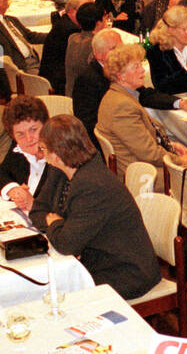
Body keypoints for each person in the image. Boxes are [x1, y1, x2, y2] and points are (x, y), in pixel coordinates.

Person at [30, 115, 161, 300]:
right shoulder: (61, 170)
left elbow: (67, 244)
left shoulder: (93, 184)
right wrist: (60, 228)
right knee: (45, 284)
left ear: (57, 154)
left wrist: (56, 225)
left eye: (43, 149)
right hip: (94, 259)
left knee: (53, 293)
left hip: (125, 271)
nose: (40, 154)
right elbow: (37, 211)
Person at [97, 43, 187, 185]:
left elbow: (142, 141)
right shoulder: (122, 107)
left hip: (141, 166)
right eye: (136, 67)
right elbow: (149, 153)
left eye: (140, 65)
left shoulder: (119, 96)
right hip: (144, 177)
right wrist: (180, 160)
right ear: (120, 76)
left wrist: (171, 146)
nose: (143, 71)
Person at [0, 95, 51, 211]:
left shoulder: (60, 158)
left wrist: (32, 203)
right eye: (20, 134)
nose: (29, 139)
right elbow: (0, 174)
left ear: (46, 126)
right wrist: (13, 189)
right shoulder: (19, 149)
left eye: (33, 130)